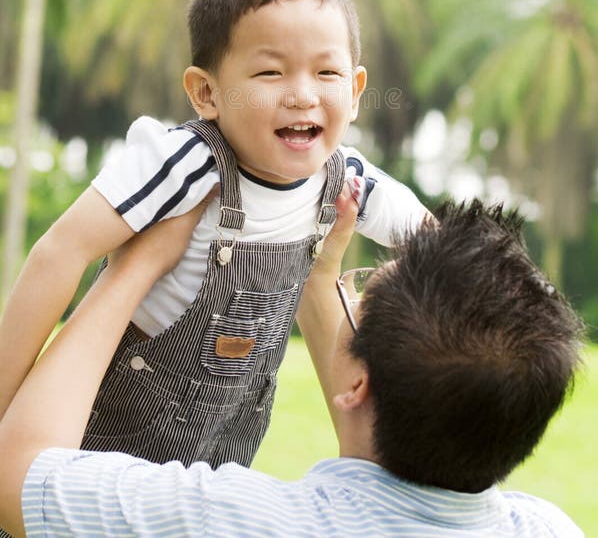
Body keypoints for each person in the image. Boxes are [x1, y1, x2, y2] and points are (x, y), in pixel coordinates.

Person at [0, 0, 429, 472]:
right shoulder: (183, 164)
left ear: (356, 91)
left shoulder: (345, 180)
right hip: (101, 442)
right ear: (207, 93)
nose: (302, 94)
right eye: (271, 71)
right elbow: (59, 252)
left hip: (217, 460)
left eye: (327, 72)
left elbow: (439, 251)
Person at [0, 194, 584, 537]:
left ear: (360, 381)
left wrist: (135, 267)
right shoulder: (546, 528)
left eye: (361, 293)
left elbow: (17, 475)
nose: (349, 302)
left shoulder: (243, 520)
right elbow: (381, 426)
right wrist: (323, 271)